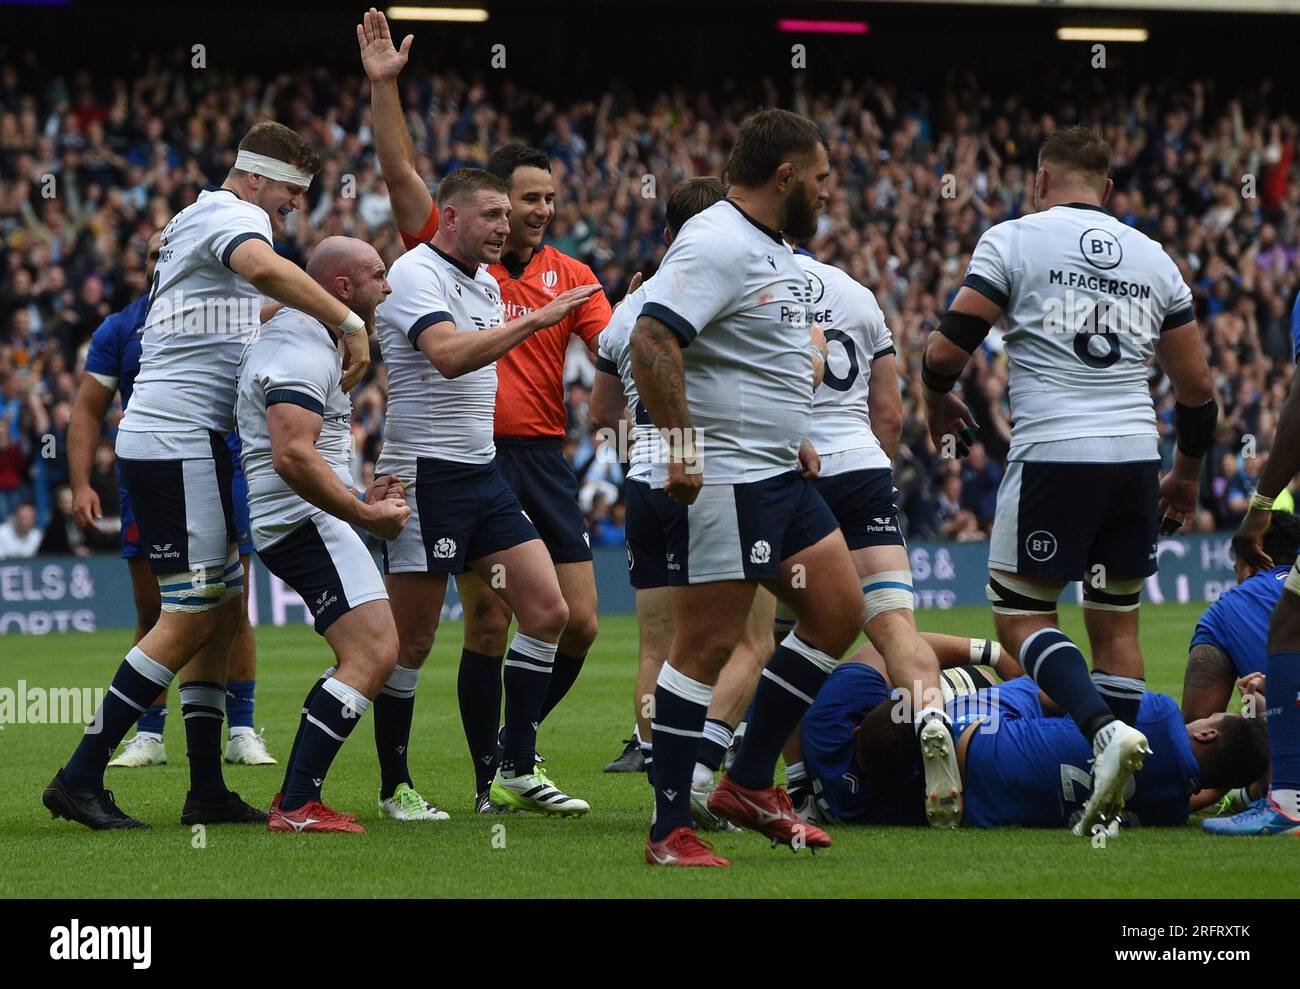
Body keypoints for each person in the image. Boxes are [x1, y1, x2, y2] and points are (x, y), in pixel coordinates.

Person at [42, 120, 372, 831]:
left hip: (185, 437)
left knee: (220, 610)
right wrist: (347, 318)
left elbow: (233, 306)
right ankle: (79, 772)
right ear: (256, 177)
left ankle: (205, 789)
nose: (289, 211)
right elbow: (259, 267)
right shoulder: (232, 214)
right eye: (287, 194)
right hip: (177, 437)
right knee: (191, 611)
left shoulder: (201, 217)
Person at [922, 126, 1215, 838]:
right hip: (1135, 454)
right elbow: (1198, 391)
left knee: (1021, 618)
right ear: (1108, 190)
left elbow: (947, 347)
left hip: (1056, 449)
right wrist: (1184, 472)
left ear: (1041, 180)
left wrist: (937, 395)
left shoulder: (1014, 239)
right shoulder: (1155, 259)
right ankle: (1114, 780)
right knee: (1115, 622)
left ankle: (1100, 736)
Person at [630, 108, 900, 867]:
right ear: (785, 177)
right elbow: (655, 335)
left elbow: (751, 357)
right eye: (820, 177)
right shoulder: (717, 239)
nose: (828, 190)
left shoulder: (771, 247)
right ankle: (668, 830)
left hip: (780, 468)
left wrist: (797, 435)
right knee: (707, 643)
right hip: (728, 476)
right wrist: (682, 445)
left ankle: (747, 782)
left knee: (838, 610)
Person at [359, 10, 613, 771]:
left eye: (543, 200)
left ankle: (514, 747)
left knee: (581, 622)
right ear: (484, 208)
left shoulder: (572, 275)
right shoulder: (453, 259)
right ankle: (492, 774)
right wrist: (385, 91)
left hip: (540, 455)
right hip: (465, 458)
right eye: (518, 200)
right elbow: (401, 173)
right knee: (483, 624)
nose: (534, 211)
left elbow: (613, 348)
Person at [372, 167, 597, 818]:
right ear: (449, 217)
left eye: (508, 215)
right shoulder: (417, 272)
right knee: (410, 642)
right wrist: (541, 319)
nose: (506, 227)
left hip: (481, 472)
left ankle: (512, 769)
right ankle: (395, 787)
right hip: (423, 474)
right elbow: (446, 354)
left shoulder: (486, 284)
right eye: (492, 215)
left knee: (548, 611)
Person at [591, 176, 780, 830]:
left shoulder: (629, 308)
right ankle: (698, 774)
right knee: (751, 641)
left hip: (646, 485)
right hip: (712, 474)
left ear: (668, 235)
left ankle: (659, 771)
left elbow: (600, 413)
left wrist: (640, 456)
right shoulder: (736, 287)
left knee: (658, 644)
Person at [69, 233, 275, 770]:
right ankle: (149, 735)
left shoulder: (229, 312)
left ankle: (243, 731)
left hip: (223, 469)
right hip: (153, 478)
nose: (160, 263)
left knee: (232, 608)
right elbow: (88, 409)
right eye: (152, 256)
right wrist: (82, 482)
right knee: (157, 610)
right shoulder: (120, 328)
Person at [236, 236, 408, 832]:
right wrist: (361, 513)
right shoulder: (301, 350)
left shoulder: (299, 327)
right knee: (374, 651)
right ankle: (296, 803)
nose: (387, 287)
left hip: (303, 517)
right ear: (342, 289)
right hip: (304, 519)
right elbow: (291, 456)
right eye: (378, 276)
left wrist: (358, 496)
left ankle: (296, 799)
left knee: (369, 651)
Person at [803, 656, 1268, 830]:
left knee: (1031, 689)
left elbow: (1069, 697)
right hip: (984, 805)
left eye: (1211, 715)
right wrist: (1259, 762)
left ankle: (952, 711)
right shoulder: (1172, 809)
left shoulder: (1164, 717)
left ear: (1206, 732)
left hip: (985, 745)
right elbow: (1204, 791)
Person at [1183, 509, 1300, 721]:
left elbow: (1198, 724)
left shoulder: (1224, 612)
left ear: (1249, 560)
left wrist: (1255, 715)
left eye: (1236, 564)